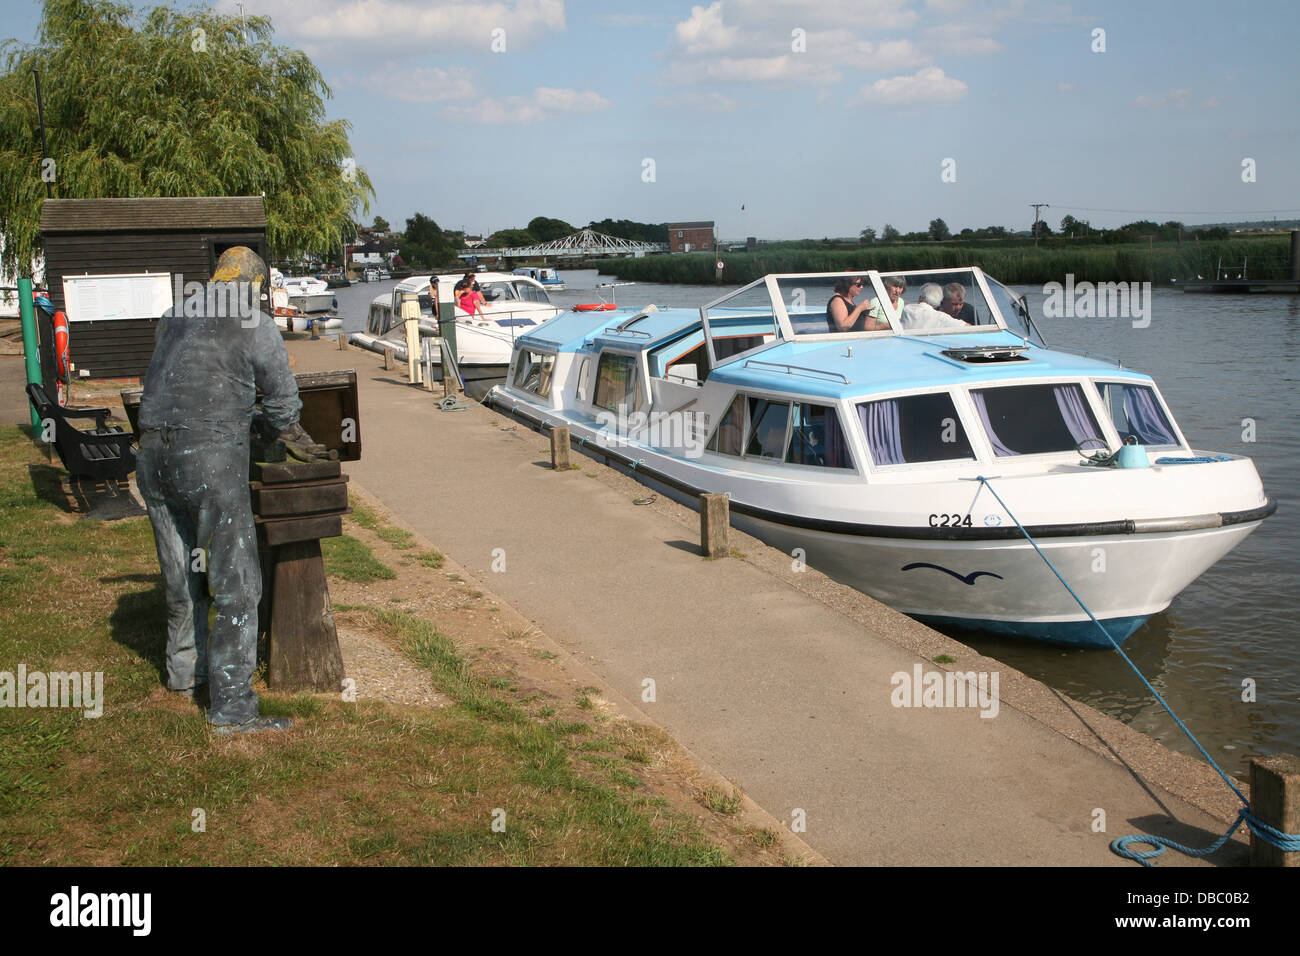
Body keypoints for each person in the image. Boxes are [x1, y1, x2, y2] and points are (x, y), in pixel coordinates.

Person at [136, 246, 329, 735]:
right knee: (237, 586)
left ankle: (184, 673)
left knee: (181, 573)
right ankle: (232, 709)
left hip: (153, 456)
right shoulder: (254, 320)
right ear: (256, 285)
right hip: (209, 458)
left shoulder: (174, 314)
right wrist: (290, 434)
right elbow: (282, 399)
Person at [900, 282, 970, 331]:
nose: (958, 307)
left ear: (921, 297)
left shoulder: (907, 309)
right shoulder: (940, 317)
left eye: (960, 304)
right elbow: (968, 327)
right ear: (940, 301)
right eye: (954, 304)